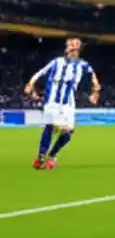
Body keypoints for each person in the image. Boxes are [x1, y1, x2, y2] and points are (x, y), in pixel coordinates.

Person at [25, 37, 100, 170]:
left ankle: (52, 155)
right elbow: (40, 73)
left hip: (68, 105)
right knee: (50, 126)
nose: (74, 49)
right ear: (67, 48)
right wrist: (30, 84)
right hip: (51, 102)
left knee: (68, 133)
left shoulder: (84, 65)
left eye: (77, 47)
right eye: (71, 46)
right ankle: (41, 157)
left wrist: (95, 94)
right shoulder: (56, 62)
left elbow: (96, 83)